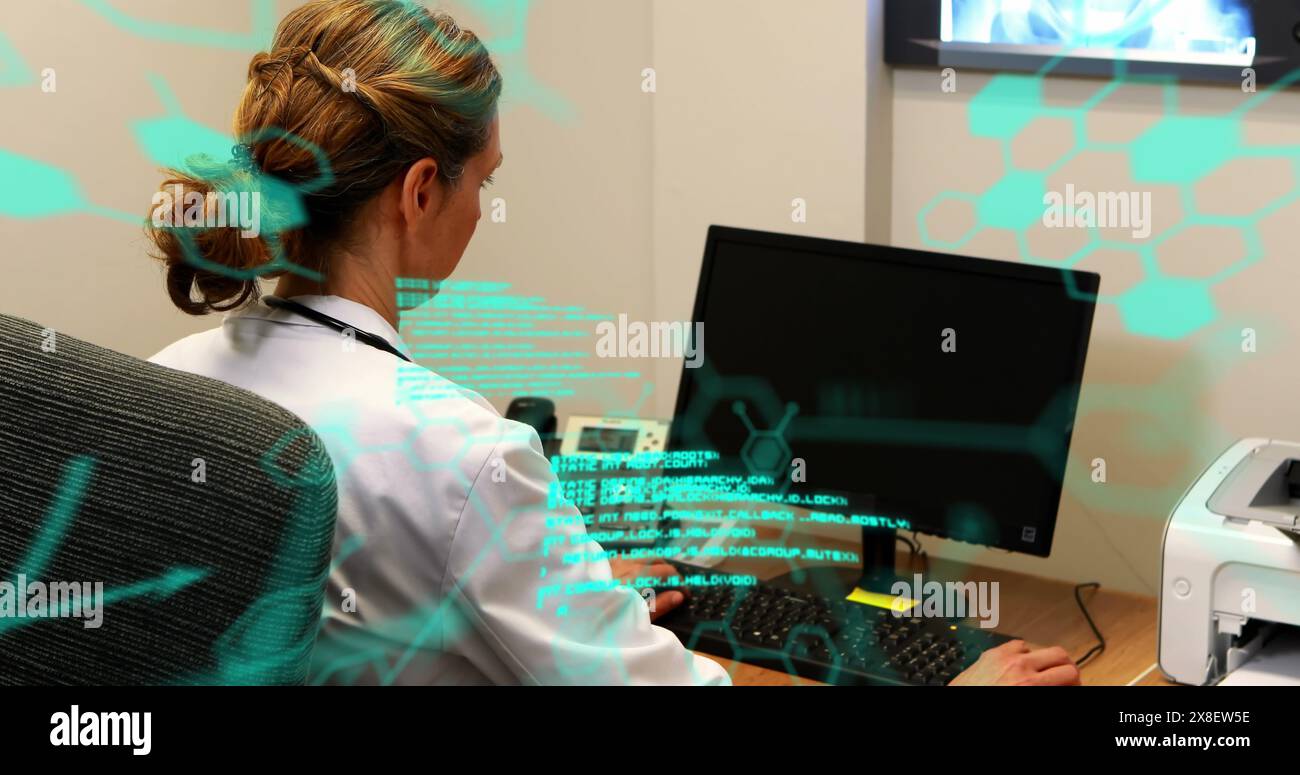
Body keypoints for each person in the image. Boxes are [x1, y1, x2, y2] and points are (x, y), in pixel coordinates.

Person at [146, 0, 1081, 687]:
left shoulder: (165, 388)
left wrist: (576, 590)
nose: (483, 212)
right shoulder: (462, 456)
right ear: (421, 190)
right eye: (484, 182)